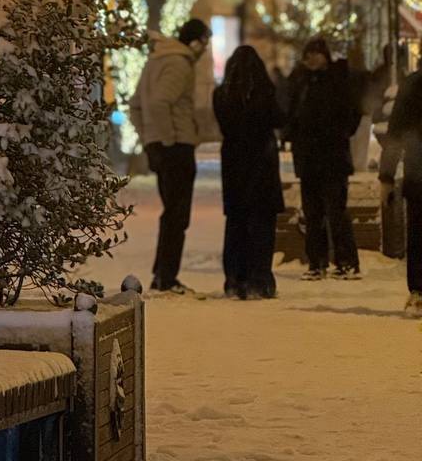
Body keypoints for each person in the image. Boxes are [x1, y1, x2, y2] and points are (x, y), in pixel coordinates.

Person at [129, 18, 210, 294]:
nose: (205, 51)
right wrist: (168, 139)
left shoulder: (156, 60)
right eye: (205, 43)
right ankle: (166, 276)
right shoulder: (179, 63)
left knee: (171, 211)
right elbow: (159, 101)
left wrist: (148, 138)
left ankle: (161, 273)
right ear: (196, 40)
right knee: (178, 214)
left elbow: (136, 104)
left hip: (159, 145)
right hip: (176, 147)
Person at [284, 36, 362, 280]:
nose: (312, 59)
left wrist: (340, 133)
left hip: (332, 156)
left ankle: (346, 261)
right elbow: (290, 112)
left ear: (325, 56)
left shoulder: (337, 80)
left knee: (336, 211)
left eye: (316, 54)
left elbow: (353, 112)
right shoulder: (300, 82)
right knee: (313, 212)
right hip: (308, 157)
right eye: (308, 55)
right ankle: (316, 262)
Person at [213, 46, 285, 299]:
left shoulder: (221, 95)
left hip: (234, 162)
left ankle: (235, 277)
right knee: (262, 223)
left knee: (236, 222)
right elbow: (279, 118)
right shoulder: (265, 93)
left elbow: (224, 124)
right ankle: (259, 278)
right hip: (261, 162)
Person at [378, 66, 422, 314]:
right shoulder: (414, 85)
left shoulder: (413, 84)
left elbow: (395, 132)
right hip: (418, 172)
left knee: (418, 234)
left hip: (418, 172)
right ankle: (418, 292)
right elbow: (397, 132)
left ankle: (418, 293)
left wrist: (387, 175)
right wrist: (386, 175)